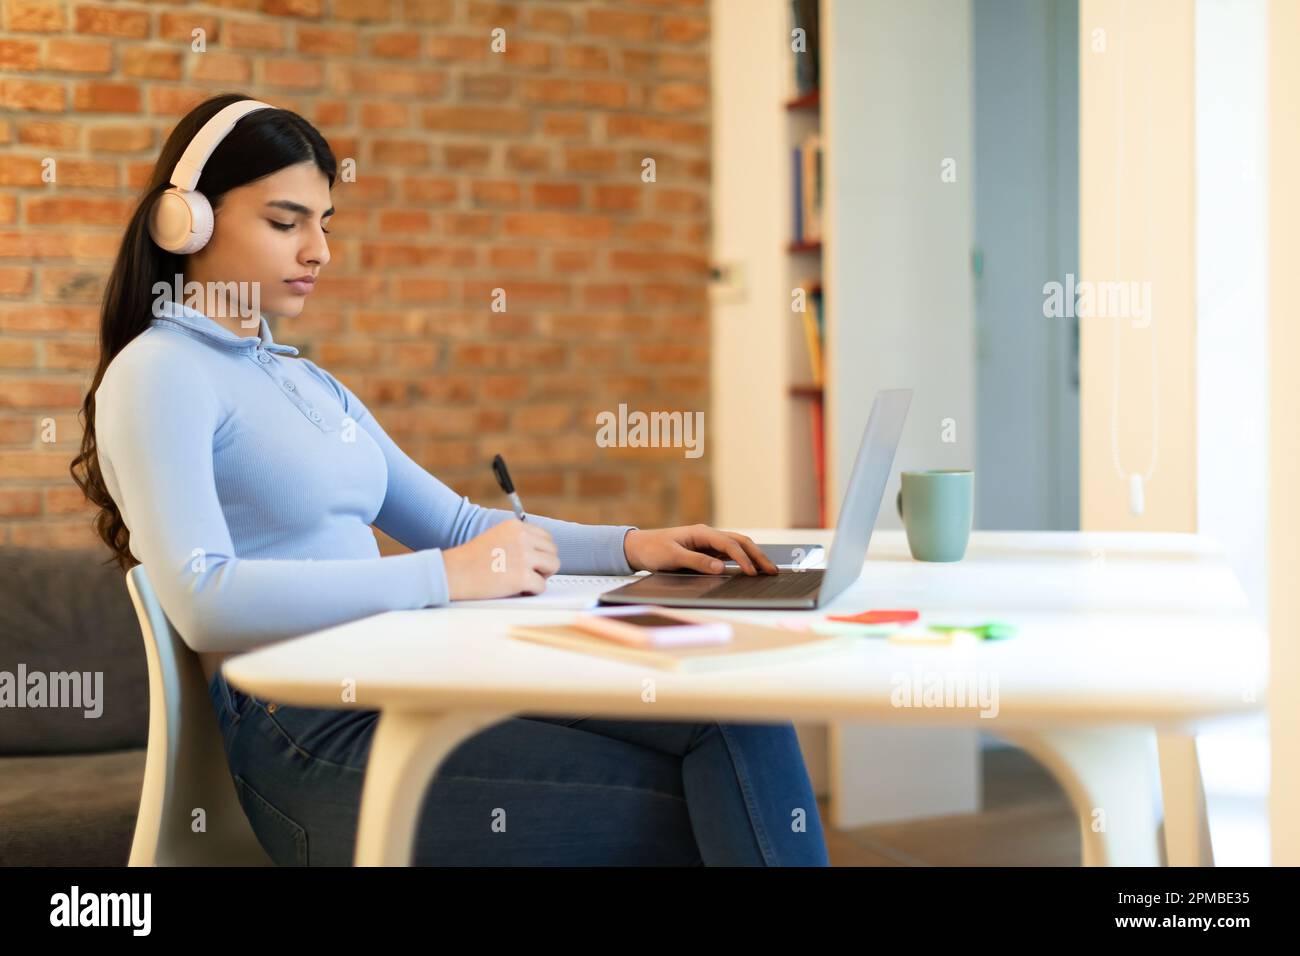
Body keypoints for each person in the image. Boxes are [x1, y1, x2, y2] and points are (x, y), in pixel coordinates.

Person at [70, 92, 830, 866]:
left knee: (732, 713)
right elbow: (204, 602)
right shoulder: (159, 374)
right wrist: (446, 577)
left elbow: (466, 528)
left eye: (324, 224)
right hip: (314, 739)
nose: (318, 251)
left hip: (400, 689)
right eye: (284, 221)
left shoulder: (307, 383)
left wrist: (636, 547)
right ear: (186, 221)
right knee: (701, 810)